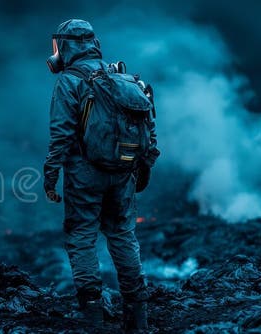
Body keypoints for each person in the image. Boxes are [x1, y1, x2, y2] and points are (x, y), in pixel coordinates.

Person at [42, 19, 159, 332]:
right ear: (93, 43)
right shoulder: (120, 77)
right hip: (123, 173)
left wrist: (50, 175)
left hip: (84, 175)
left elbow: (61, 135)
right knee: (122, 235)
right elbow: (148, 128)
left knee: (81, 237)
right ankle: (137, 320)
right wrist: (143, 167)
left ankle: (93, 320)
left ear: (64, 46)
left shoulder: (69, 81)